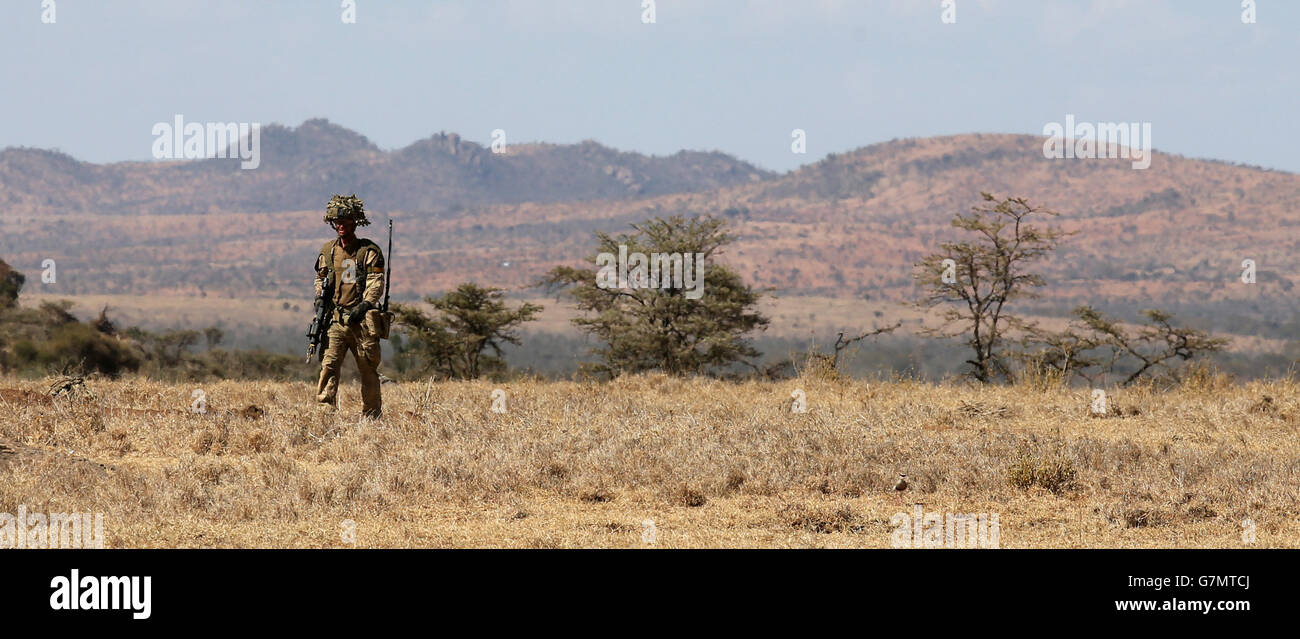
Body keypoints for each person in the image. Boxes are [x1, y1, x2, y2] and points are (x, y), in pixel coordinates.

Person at [314, 194, 385, 418]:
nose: (340, 226)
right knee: (329, 366)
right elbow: (320, 278)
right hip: (335, 320)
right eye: (337, 223)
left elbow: (376, 283)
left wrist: (364, 305)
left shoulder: (368, 251)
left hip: (361, 323)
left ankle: (372, 415)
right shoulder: (328, 251)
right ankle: (326, 413)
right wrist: (319, 296)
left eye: (345, 222)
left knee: (367, 369)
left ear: (355, 222)